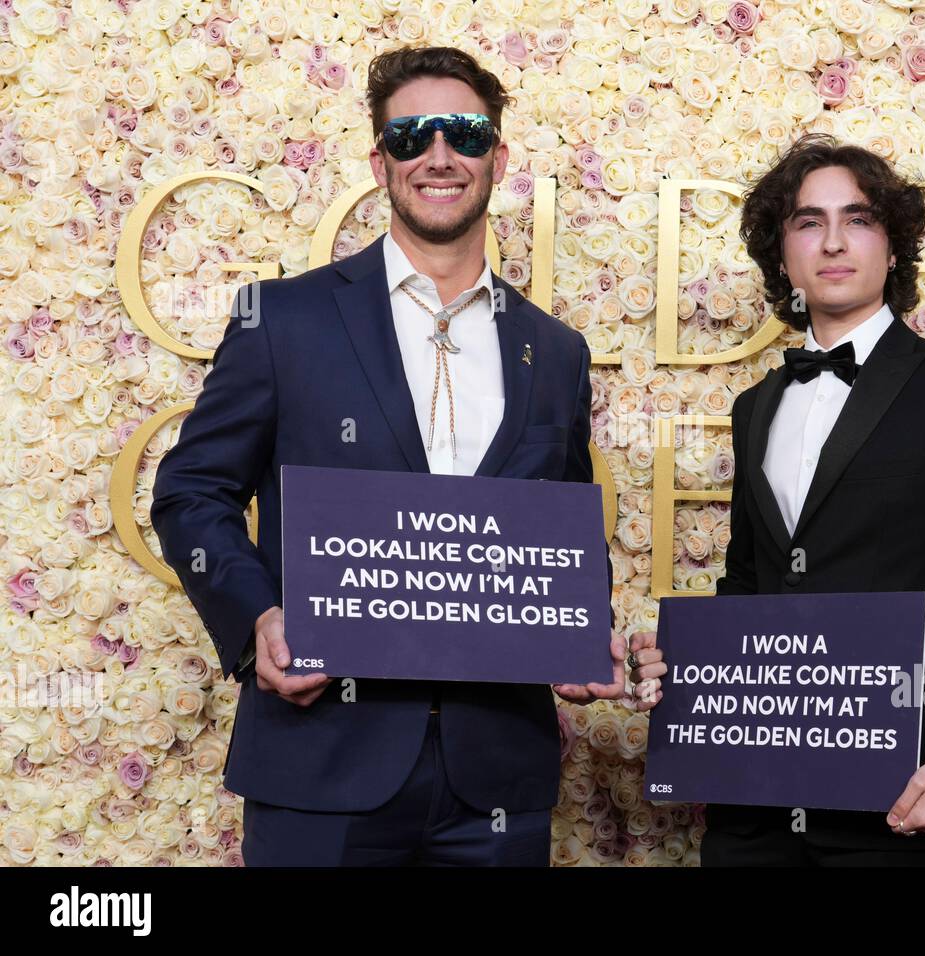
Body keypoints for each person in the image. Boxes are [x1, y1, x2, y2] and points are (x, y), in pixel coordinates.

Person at [151, 45, 663, 867]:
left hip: (496, 775)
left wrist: (580, 631)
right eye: (410, 136)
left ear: (498, 156)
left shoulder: (556, 350)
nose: (438, 156)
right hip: (320, 764)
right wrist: (256, 621)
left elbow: (559, 522)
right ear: (379, 160)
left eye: (462, 133)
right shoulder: (283, 321)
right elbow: (191, 493)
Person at [703, 133, 925, 866]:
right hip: (755, 813)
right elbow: (749, 586)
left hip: (905, 811)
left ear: (894, 248)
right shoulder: (755, 409)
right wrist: (688, 670)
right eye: (809, 222)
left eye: (859, 220)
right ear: (782, 254)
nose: (834, 241)